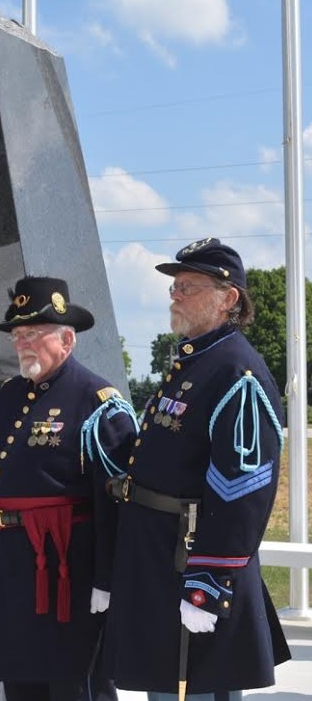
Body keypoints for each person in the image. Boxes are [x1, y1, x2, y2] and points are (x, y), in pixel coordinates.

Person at [104, 238, 290, 700]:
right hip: (161, 562)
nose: (175, 295)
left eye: (187, 286)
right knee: (164, 687)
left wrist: (209, 581)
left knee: (198, 691)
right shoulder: (197, 361)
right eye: (175, 286)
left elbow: (242, 488)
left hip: (194, 566)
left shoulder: (236, 371)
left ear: (228, 299)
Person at [0, 276, 136, 701]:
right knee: (20, 685)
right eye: (17, 334)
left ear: (67, 339)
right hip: (10, 571)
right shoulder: (9, 395)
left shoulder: (97, 401)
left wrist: (107, 580)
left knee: (73, 687)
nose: (22, 343)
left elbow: (117, 502)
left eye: (33, 333)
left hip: (67, 576)